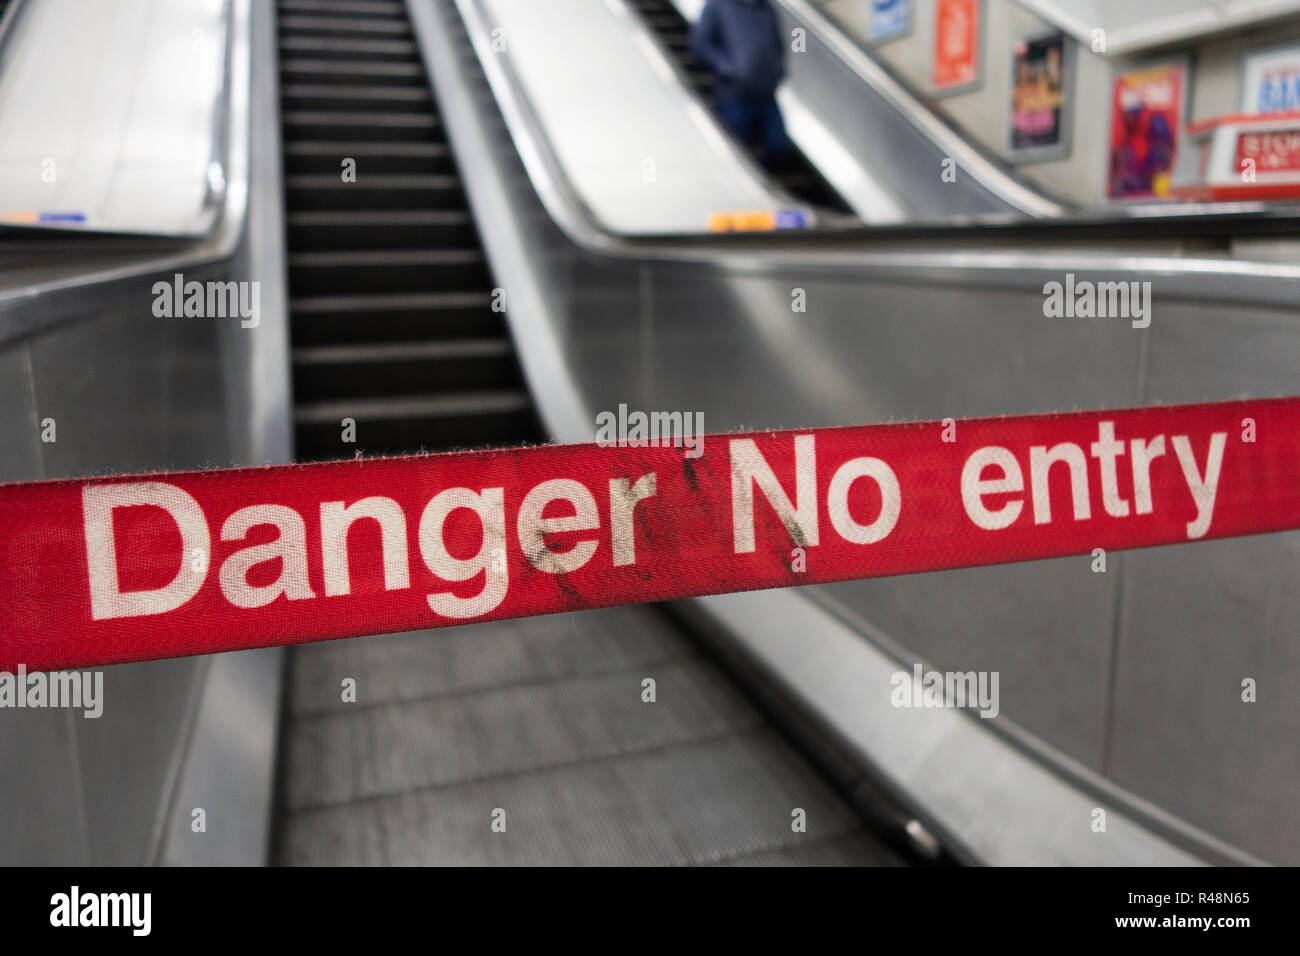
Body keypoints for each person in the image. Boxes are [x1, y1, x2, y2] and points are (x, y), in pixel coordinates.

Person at [690, 0, 793, 174]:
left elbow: (778, 45)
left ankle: (763, 183)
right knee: (737, 152)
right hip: (734, 95)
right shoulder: (718, 5)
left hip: (766, 95)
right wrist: (728, 68)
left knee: (778, 146)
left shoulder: (767, 8)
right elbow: (701, 43)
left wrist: (777, 71)